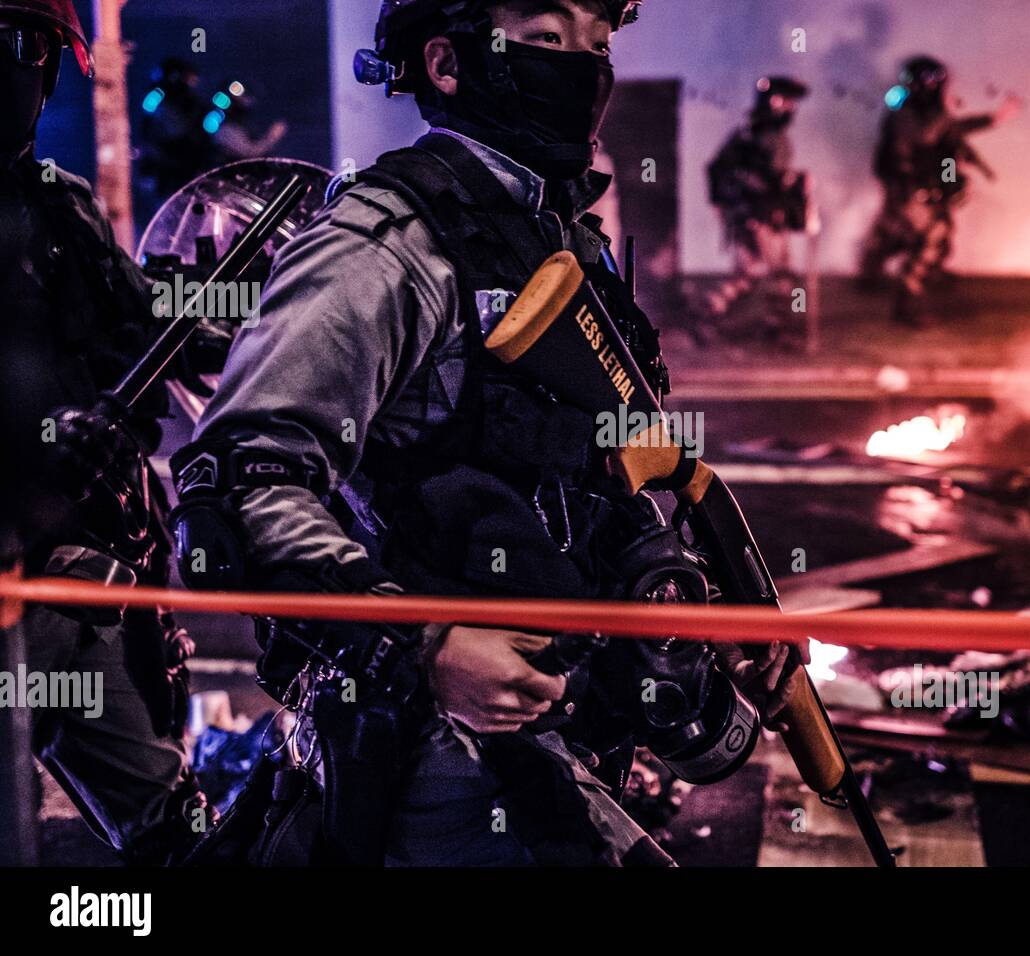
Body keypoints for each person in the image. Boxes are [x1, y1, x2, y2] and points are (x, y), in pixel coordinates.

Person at [172, 0, 804, 866]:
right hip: (436, 748)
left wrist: (700, 613)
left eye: (600, 42)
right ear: (447, 63)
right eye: (547, 38)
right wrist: (421, 648)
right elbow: (239, 480)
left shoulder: (560, 239)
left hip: (564, 714)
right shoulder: (383, 246)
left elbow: (603, 473)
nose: (584, 67)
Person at [0, 0, 210, 864]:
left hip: (78, 593)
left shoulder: (58, 210)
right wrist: (43, 441)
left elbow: (150, 326)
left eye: (21, 44)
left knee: (176, 833)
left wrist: (279, 328)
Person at [859, 55, 1020, 323]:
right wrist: (951, 114)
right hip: (908, 189)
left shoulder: (922, 114)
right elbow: (930, 135)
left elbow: (949, 132)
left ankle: (887, 271)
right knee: (930, 237)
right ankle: (905, 300)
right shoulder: (905, 114)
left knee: (936, 235)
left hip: (919, 187)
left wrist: (992, 119)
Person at [705, 75, 812, 329]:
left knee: (747, 273)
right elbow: (754, 179)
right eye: (785, 101)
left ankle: (709, 312)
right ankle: (777, 326)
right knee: (782, 273)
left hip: (752, 214)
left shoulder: (750, 133)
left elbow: (722, 172)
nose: (790, 108)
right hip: (762, 215)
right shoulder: (761, 136)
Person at [138, 56, 212, 199]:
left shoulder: (191, 102)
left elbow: (201, 130)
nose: (192, 83)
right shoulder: (158, 97)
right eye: (189, 78)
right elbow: (150, 128)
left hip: (186, 160)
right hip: (166, 162)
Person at [206, 78, 288, 165]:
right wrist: (273, 136)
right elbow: (251, 153)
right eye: (240, 101)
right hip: (230, 176)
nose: (246, 101)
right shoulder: (225, 130)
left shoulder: (240, 127)